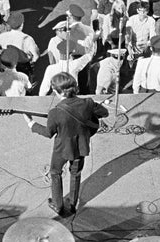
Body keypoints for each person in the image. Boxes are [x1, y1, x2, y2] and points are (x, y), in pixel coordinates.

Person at [29, 71, 107, 216]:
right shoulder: (88, 103)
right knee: (75, 174)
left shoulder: (55, 112)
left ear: (57, 91)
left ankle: (58, 206)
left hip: (62, 150)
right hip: (81, 147)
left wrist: (31, 124)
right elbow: (104, 113)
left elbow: (48, 133)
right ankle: (72, 205)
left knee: (55, 173)